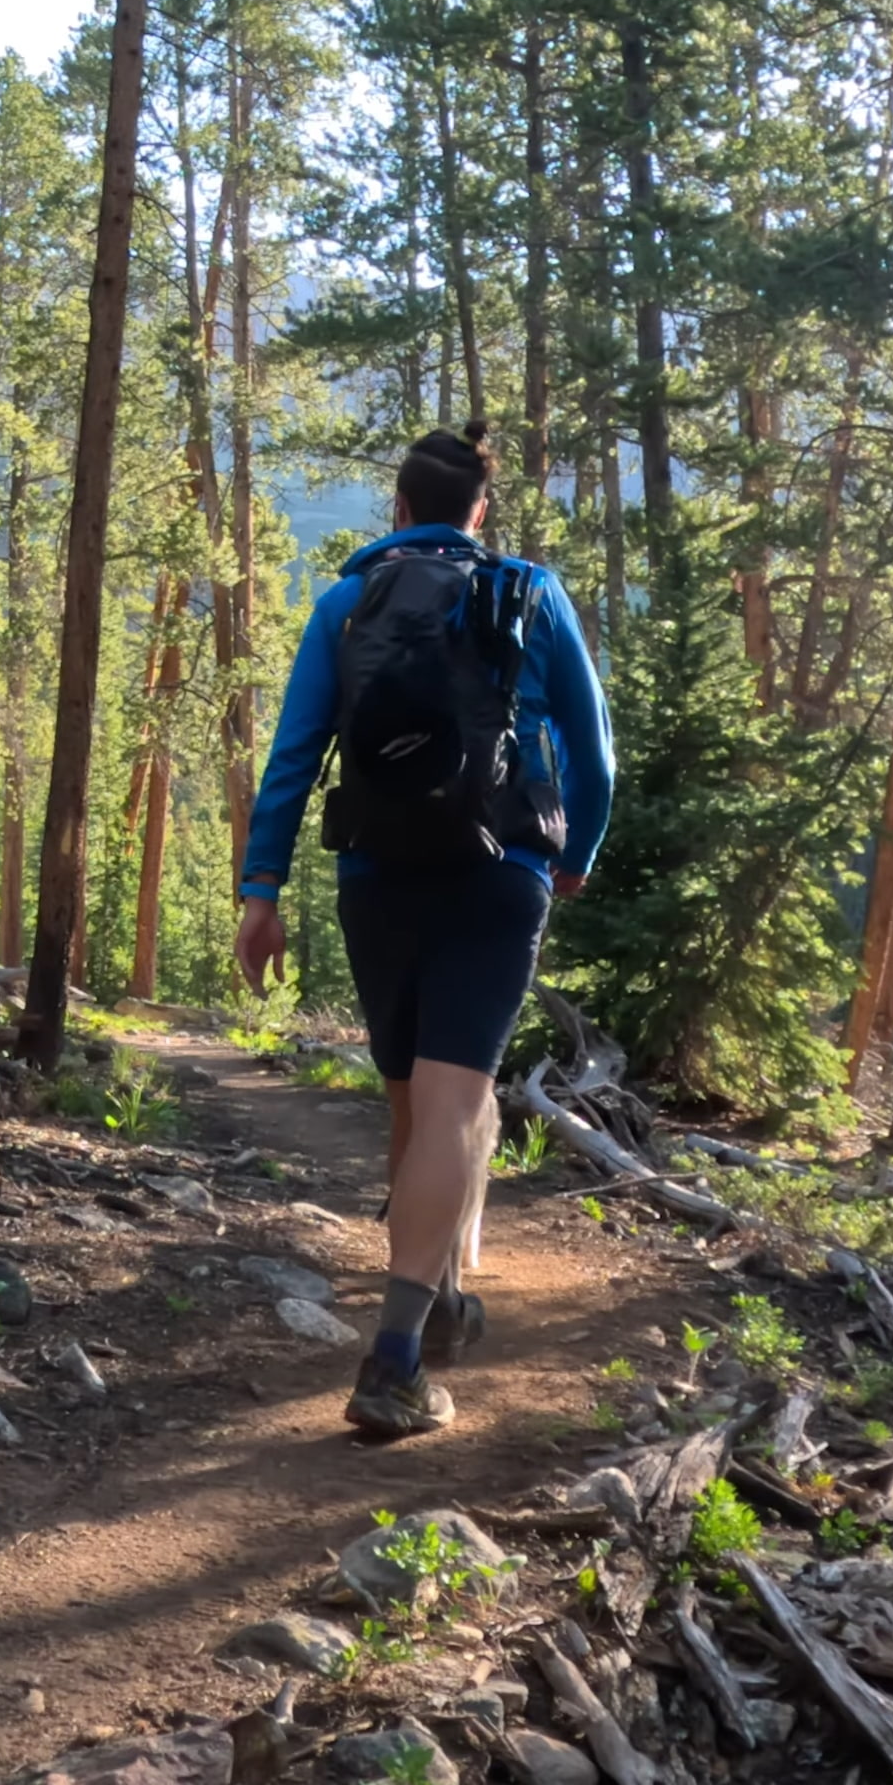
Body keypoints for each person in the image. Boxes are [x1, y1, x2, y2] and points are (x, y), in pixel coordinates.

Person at [233, 423, 615, 1438]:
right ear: (477, 515)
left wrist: (259, 889)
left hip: (377, 874)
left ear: (396, 508)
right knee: (456, 1104)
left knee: (412, 1106)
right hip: (500, 876)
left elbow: (293, 755)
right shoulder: (527, 594)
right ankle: (395, 1360)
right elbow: (592, 751)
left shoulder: (345, 601)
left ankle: (438, 1303)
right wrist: (575, 854)